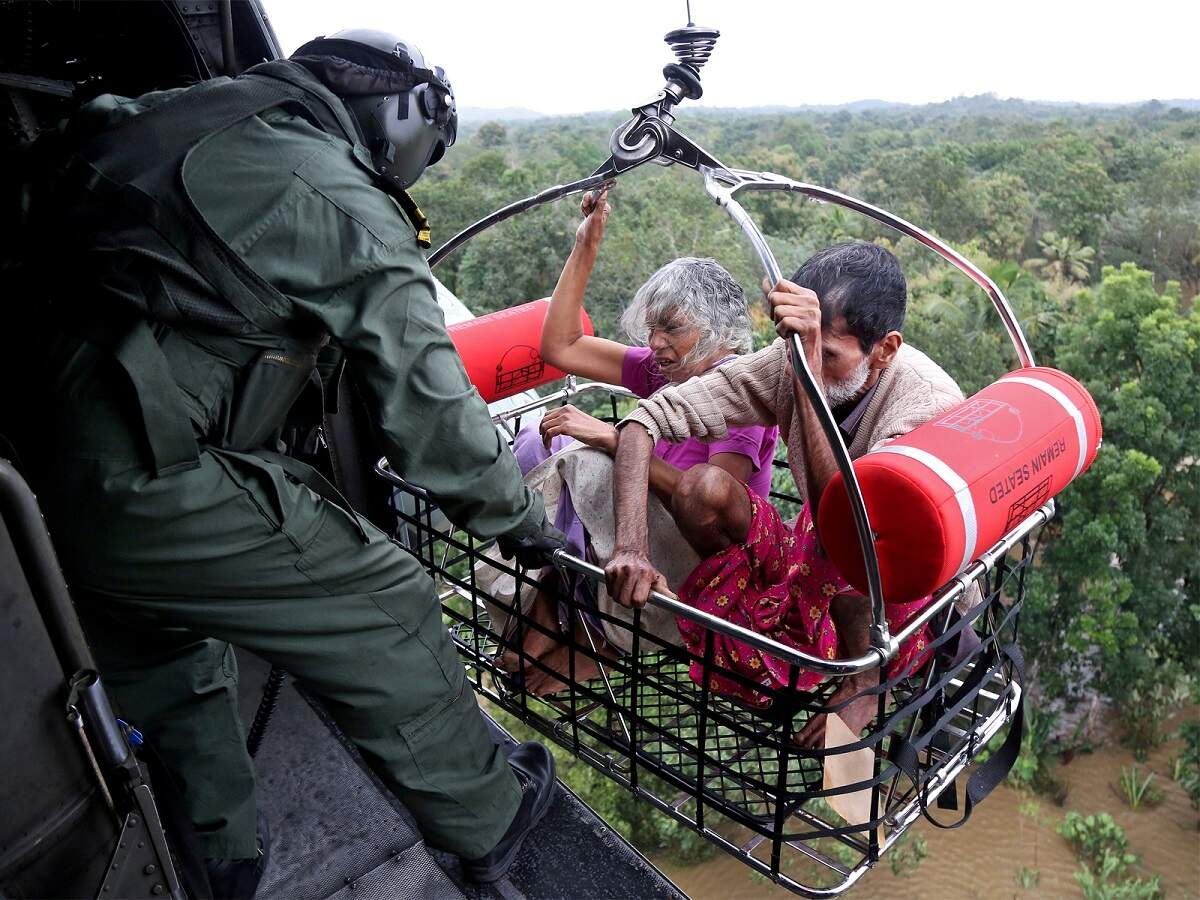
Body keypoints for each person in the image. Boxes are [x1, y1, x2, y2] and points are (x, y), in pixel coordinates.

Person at [19, 30, 561, 895]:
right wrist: (526, 525)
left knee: (172, 659)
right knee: (384, 607)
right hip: (146, 471)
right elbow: (435, 413)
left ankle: (218, 859)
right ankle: (494, 821)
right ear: (408, 115)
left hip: (37, 469)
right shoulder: (333, 191)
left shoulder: (160, 117)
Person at [604, 242, 964, 747]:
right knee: (700, 488)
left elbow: (853, 528)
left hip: (888, 574)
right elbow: (647, 419)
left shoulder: (926, 405)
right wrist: (631, 547)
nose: (803, 362)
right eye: (797, 348)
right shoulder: (792, 358)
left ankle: (865, 680)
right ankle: (754, 620)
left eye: (829, 355)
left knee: (860, 555)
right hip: (817, 543)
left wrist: (808, 379)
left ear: (883, 350)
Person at [496, 187, 778, 693]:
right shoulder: (664, 373)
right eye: (651, 329)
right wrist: (587, 244)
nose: (655, 344)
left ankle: (596, 639)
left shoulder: (742, 396)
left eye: (672, 328)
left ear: (716, 329)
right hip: (632, 534)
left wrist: (610, 439)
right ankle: (562, 600)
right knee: (542, 440)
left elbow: (706, 501)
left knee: (586, 459)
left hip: (693, 561)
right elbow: (560, 345)